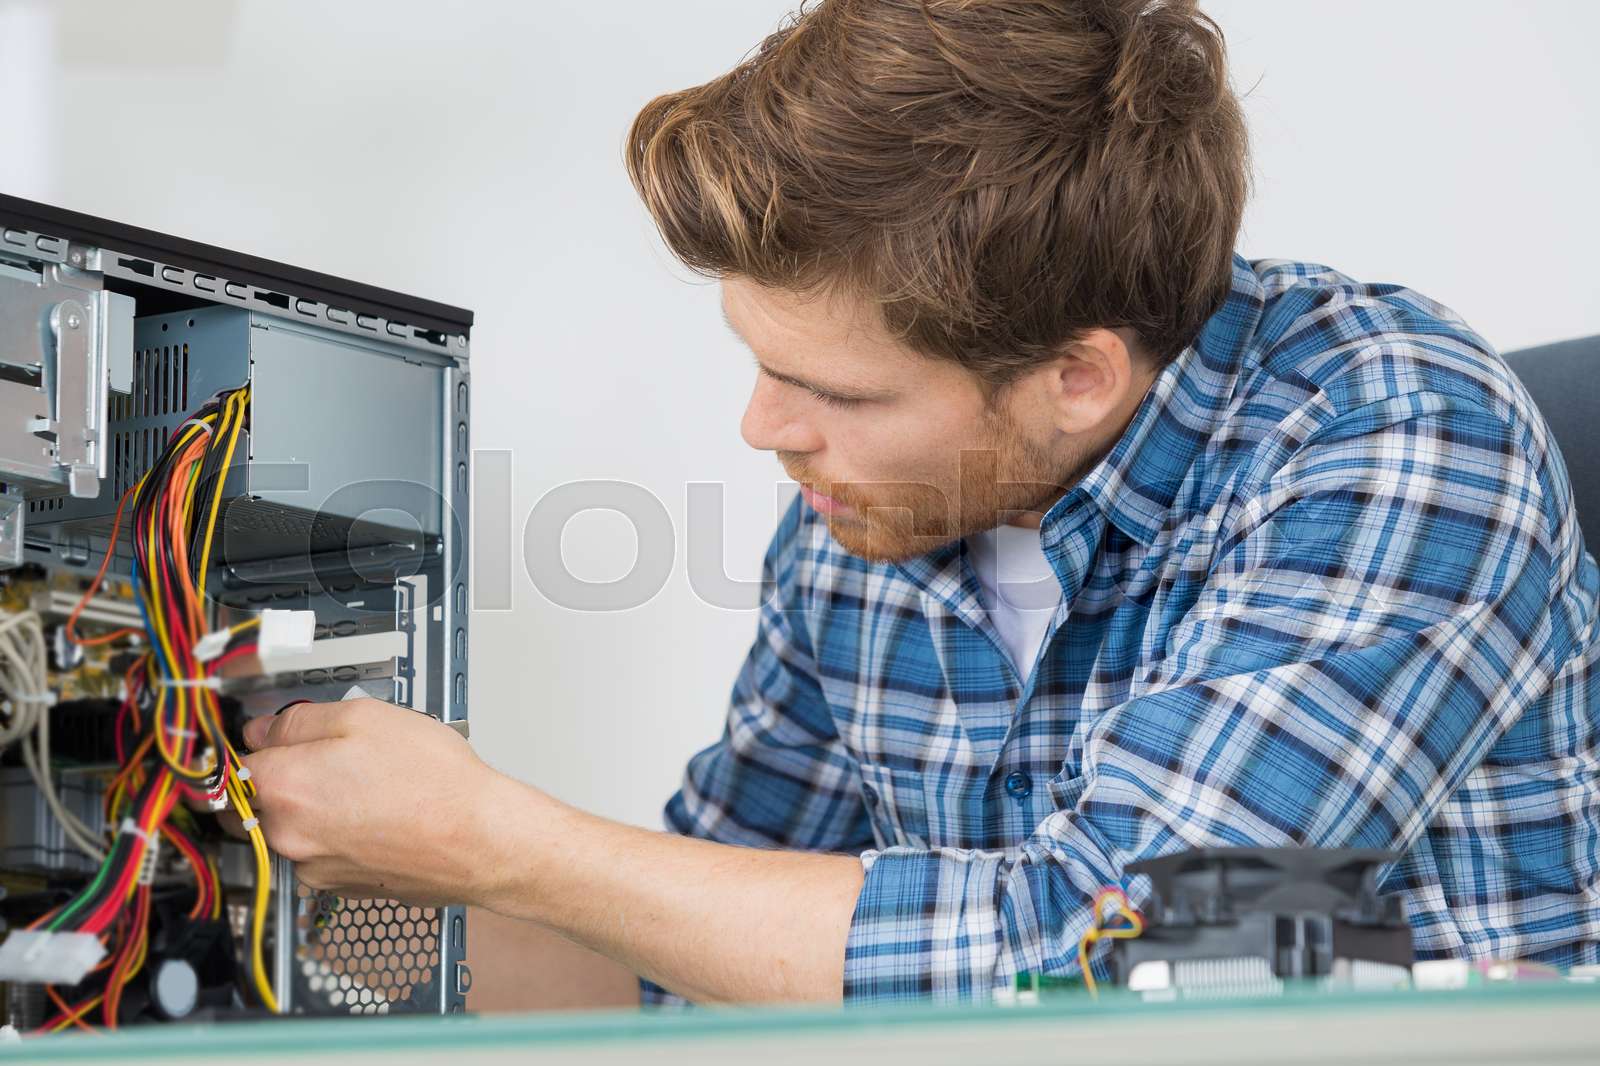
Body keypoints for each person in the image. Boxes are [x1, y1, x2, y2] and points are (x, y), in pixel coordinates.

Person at [240, 0, 1600, 1004]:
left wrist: (501, 836)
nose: (765, 428)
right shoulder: (874, 516)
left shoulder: (1397, 434)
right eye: (762, 366)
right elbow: (694, 953)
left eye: (838, 390)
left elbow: (1124, 950)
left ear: (1078, 376)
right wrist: (275, 882)